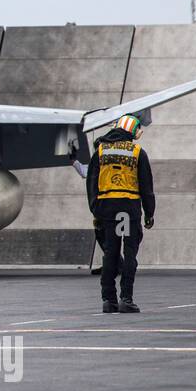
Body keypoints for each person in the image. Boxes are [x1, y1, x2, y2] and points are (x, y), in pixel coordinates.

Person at [85, 114, 155, 313]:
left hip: (106, 208)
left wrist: (95, 211)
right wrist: (149, 213)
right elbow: (146, 187)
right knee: (130, 253)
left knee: (110, 253)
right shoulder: (137, 152)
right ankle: (127, 299)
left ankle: (109, 300)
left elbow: (91, 184)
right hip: (130, 207)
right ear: (133, 132)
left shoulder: (100, 151)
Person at [69, 146, 106, 275]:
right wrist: (74, 160)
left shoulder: (102, 164)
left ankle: (116, 264)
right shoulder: (99, 164)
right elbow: (85, 171)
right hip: (104, 206)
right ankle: (114, 263)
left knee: (105, 235)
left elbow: (86, 172)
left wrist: (73, 160)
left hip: (103, 206)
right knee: (104, 235)